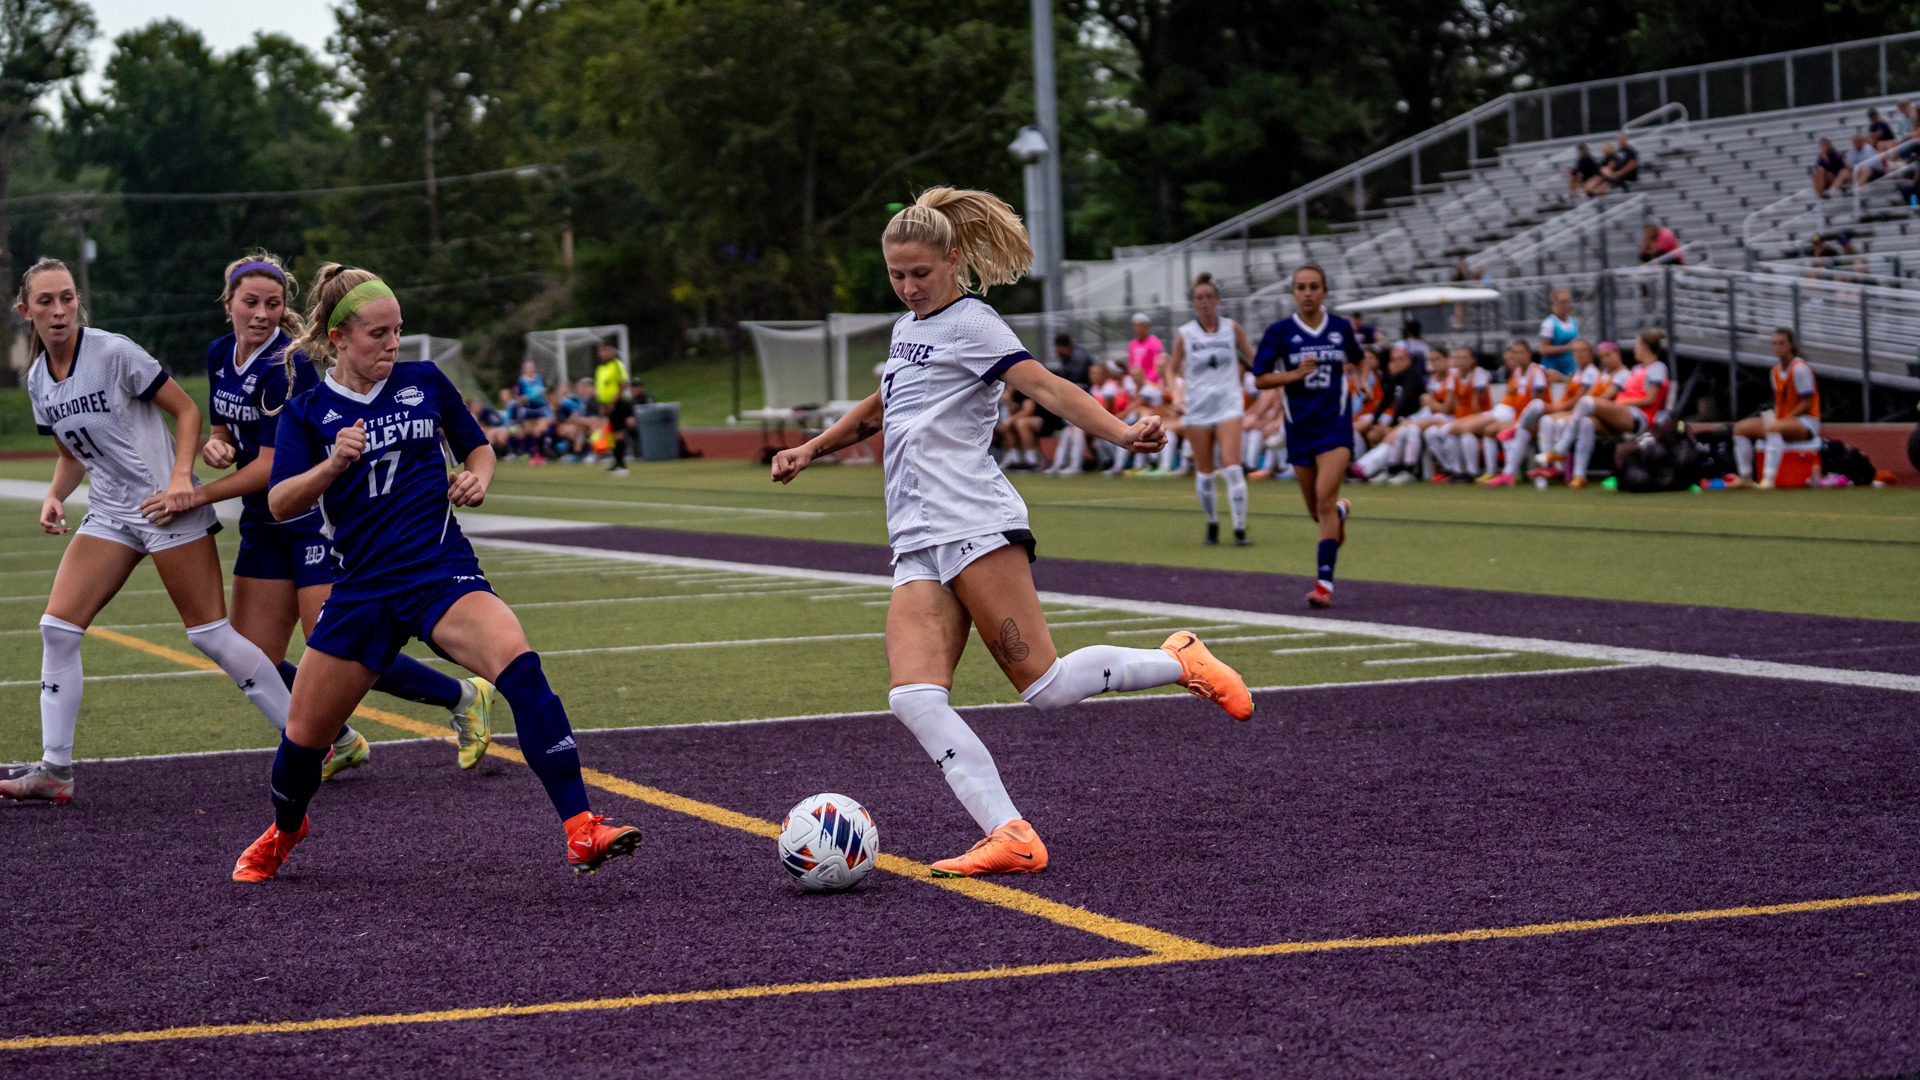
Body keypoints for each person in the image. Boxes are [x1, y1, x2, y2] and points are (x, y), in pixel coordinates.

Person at [770, 187, 1252, 877]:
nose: (908, 288)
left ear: (954, 260)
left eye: (920, 274)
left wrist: (1120, 431)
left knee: (1046, 687)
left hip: (973, 522)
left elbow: (1049, 388)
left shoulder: (975, 323)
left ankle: (1182, 659)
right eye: (896, 276)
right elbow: (882, 405)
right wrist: (811, 448)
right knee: (912, 697)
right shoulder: (909, 329)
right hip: (916, 539)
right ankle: (1011, 834)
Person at [231, 264, 642, 881]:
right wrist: (331, 465)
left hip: (440, 572)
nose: (393, 345)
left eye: (398, 331)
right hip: (363, 588)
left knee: (522, 671)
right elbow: (281, 500)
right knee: (301, 741)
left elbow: (478, 446)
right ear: (339, 338)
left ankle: (581, 828)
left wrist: (479, 475)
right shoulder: (308, 410)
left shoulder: (423, 381)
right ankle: (288, 830)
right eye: (378, 334)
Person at [0, 259, 294, 804]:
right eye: (45, 301)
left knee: (209, 634)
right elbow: (71, 455)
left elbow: (185, 412)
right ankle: (55, 772)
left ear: (78, 302)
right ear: (26, 311)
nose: (58, 309)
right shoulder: (39, 380)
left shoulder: (113, 352)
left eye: (67, 297)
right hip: (111, 512)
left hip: (166, 506)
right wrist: (52, 495)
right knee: (58, 629)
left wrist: (182, 478)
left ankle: (314, 741)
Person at [198, 253, 492, 778]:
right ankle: (341, 736)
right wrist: (215, 443)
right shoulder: (220, 355)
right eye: (251, 303)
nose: (263, 314)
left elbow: (273, 469)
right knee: (252, 654)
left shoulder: (285, 369)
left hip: (308, 521)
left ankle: (461, 695)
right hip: (262, 524)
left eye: (274, 303)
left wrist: (194, 495)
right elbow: (224, 427)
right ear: (228, 306)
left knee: (333, 642)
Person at [1252, 264, 1358, 609]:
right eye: (1301, 287)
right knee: (1318, 511)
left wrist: (1365, 380)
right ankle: (1337, 517)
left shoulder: (1341, 328)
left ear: (1325, 291)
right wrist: (1294, 374)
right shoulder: (1280, 332)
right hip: (1300, 429)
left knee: (1325, 497)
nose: (1308, 292)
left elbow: (1361, 359)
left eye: (1314, 286)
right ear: (1294, 293)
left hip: (1335, 426)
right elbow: (1260, 378)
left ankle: (1323, 585)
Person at [1167, 272, 1256, 545]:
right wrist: (1176, 394)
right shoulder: (1186, 334)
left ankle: (1239, 529)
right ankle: (1212, 524)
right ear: (1193, 303)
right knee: (1205, 471)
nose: (1204, 302)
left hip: (1228, 403)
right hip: (1198, 407)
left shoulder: (1232, 328)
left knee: (1231, 466)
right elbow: (1172, 369)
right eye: (1199, 298)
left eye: (1209, 297)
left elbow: (1254, 358)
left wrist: (1276, 378)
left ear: (1217, 300)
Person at [1556, 329, 1669, 488]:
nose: (1635, 349)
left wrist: (1622, 403)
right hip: (1622, 415)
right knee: (1587, 423)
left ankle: (1562, 446)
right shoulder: (1637, 369)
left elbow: (1650, 399)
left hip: (1640, 417)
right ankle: (1579, 475)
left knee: (1588, 401)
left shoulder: (1657, 367)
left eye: (1636, 345)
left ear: (1644, 347)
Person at [1728, 328, 1820, 489]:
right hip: (1784, 419)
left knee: (1774, 428)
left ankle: (1769, 478)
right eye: (1774, 343)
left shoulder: (1799, 368)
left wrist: (1785, 419)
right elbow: (1780, 400)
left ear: (1791, 345)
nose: (1777, 347)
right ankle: (1745, 476)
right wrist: (1776, 417)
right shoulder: (1775, 371)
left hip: (1806, 421)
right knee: (1740, 428)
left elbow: (1807, 403)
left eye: (1782, 343)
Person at [1480, 341, 1550, 486]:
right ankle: (1505, 473)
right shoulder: (1516, 373)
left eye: (1520, 352)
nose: (1517, 356)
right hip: (1520, 419)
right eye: (1515, 352)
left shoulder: (1536, 372)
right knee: (1503, 431)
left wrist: (1530, 422)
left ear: (1529, 354)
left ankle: (1511, 473)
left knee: (1515, 432)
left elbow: (1539, 403)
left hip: (1537, 420)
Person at [594, 343, 632, 476]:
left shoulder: (617, 365)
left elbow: (623, 384)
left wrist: (613, 402)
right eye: (601, 351)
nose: (603, 353)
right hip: (606, 405)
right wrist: (602, 405)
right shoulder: (600, 369)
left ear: (612, 351)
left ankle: (622, 465)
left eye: (605, 350)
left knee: (618, 433)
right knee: (610, 435)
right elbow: (600, 389)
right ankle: (616, 461)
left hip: (617, 404)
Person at [514, 360, 553, 466]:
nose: (531, 369)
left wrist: (542, 395)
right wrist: (529, 397)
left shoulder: (539, 378)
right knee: (530, 432)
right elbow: (520, 397)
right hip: (528, 410)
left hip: (541, 409)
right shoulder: (521, 381)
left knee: (540, 431)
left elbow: (546, 391)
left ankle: (541, 454)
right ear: (524, 369)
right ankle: (533, 455)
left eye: (532, 367)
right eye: (528, 367)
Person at [1537, 288, 1580, 378]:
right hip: (1553, 369)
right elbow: (1543, 349)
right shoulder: (1549, 323)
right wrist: (1566, 348)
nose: (1565, 305)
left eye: (1568, 302)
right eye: (1562, 302)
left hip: (1570, 367)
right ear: (1555, 304)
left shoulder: (1573, 321)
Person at [1126, 313, 1164, 392]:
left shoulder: (1154, 342)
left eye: (1140, 325)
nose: (1137, 328)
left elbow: (1157, 363)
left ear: (1146, 326)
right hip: (1136, 381)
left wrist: (1149, 379)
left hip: (1150, 382)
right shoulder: (1132, 344)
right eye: (1135, 326)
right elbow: (1131, 363)